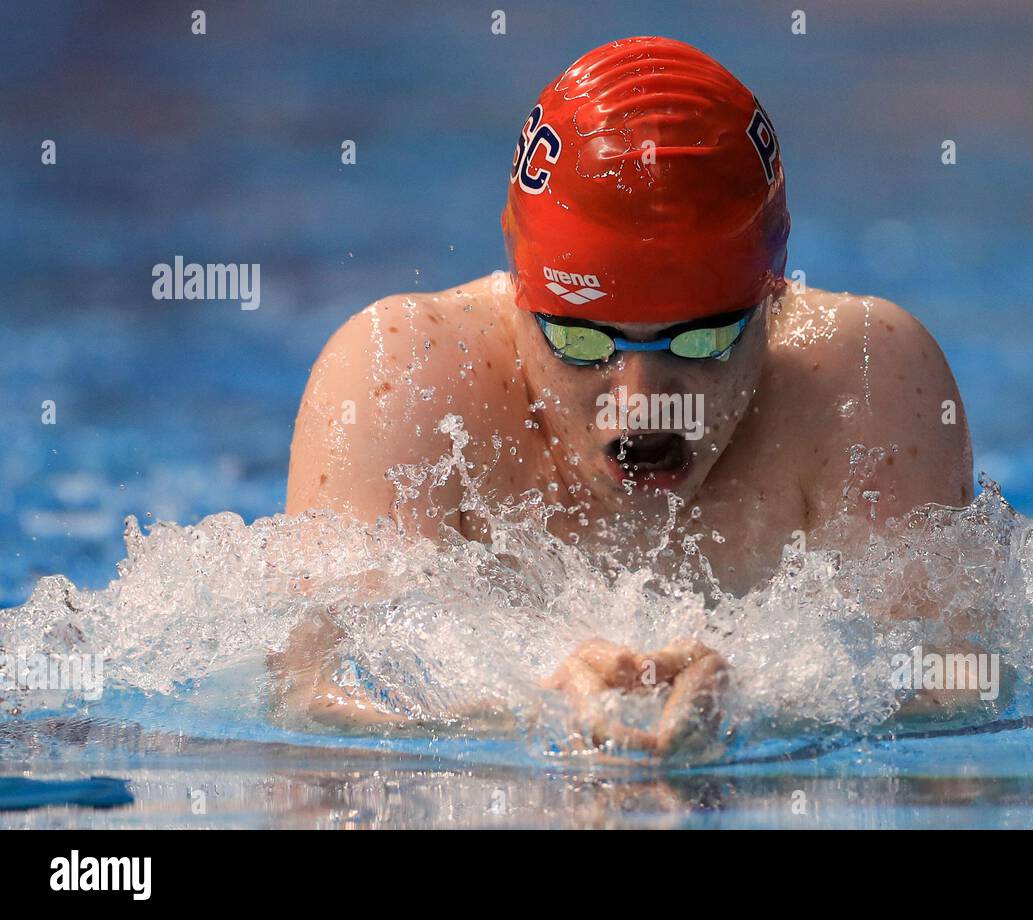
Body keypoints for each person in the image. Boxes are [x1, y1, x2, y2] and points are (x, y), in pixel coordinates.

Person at [282, 37, 973, 753]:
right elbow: (308, 691)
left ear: (773, 298)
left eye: (699, 342)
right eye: (583, 344)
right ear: (520, 295)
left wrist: (762, 714)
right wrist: (530, 714)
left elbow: (969, 689)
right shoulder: (408, 374)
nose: (641, 405)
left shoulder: (864, 380)